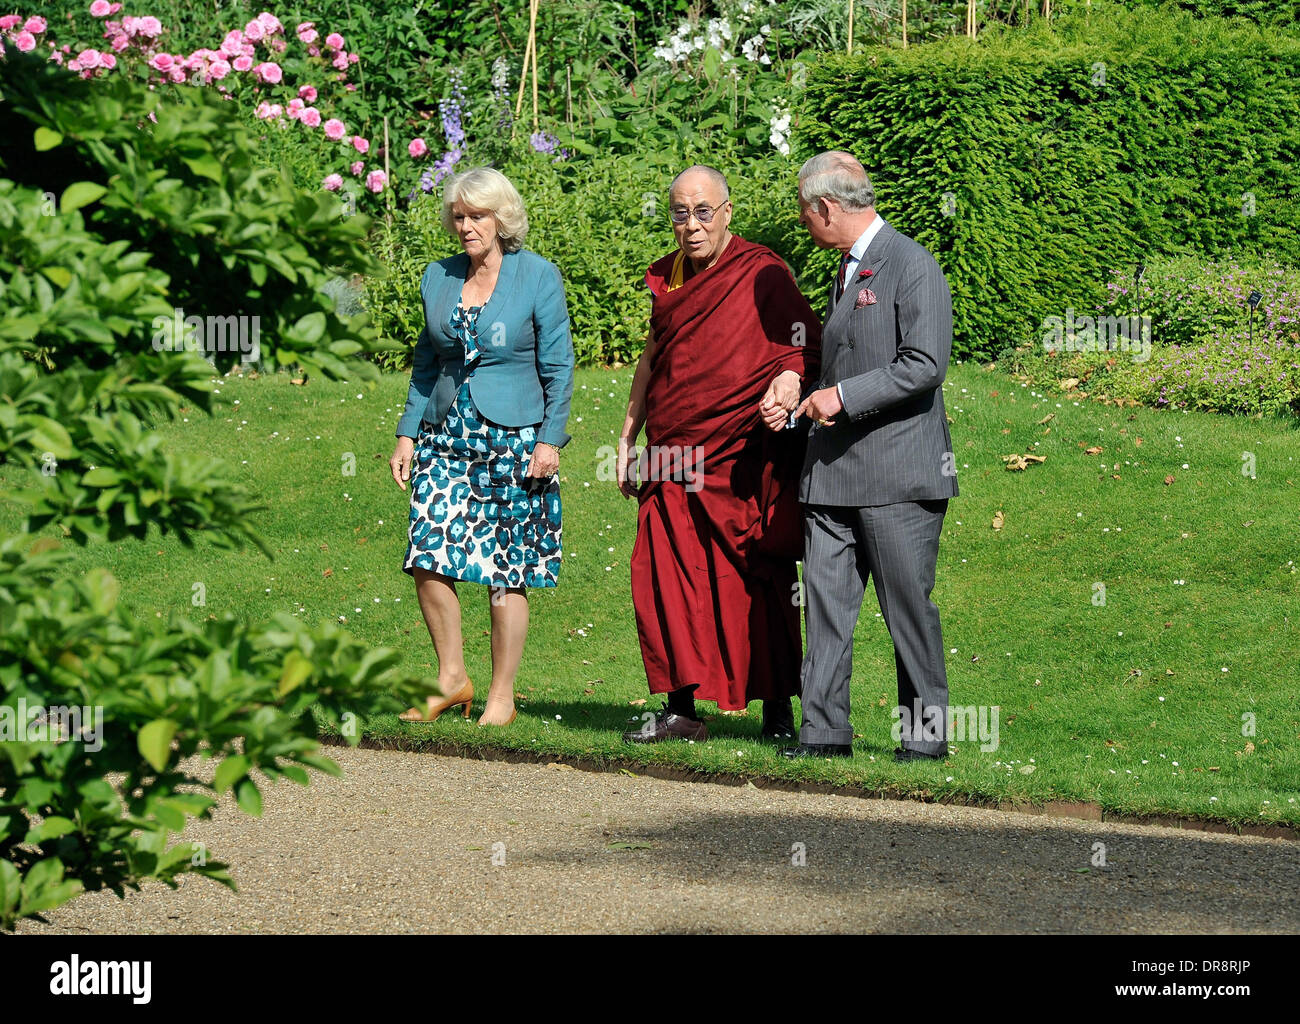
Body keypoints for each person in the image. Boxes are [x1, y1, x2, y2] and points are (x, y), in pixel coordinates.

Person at [618, 165, 821, 743]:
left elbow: (804, 342)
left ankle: (779, 712)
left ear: (727, 212)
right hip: (671, 448)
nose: (691, 225)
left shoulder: (761, 273)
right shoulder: (670, 280)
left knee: (757, 572)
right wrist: (629, 438)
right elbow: (652, 358)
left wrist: (786, 378)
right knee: (666, 571)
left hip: (740, 450)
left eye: (703, 211)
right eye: (680, 213)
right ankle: (682, 706)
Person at [773, 150, 958, 762]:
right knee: (825, 610)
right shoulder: (844, 270)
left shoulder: (911, 264)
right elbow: (847, 353)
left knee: (906, 610)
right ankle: (824, 734)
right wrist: (800, 386)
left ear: (826, 207)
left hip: (898, 478)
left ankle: (925, 739)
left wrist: (841, 396)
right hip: (830, 478)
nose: (803, 224)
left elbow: (925, 365)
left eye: (805, 213)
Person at [389, 167, 574, 727]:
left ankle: (501, 693)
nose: (467, 226)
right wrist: (406, 432)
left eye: (478, 216)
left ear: (502, 218)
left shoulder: (537, 276)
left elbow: (559, 368)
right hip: (447, 437)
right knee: (427, 556)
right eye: (460, 216)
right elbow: (427, 364)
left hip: (514, 440)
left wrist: (550, 440)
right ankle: (451, 678)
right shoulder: (438, 277)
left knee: (506, 570)